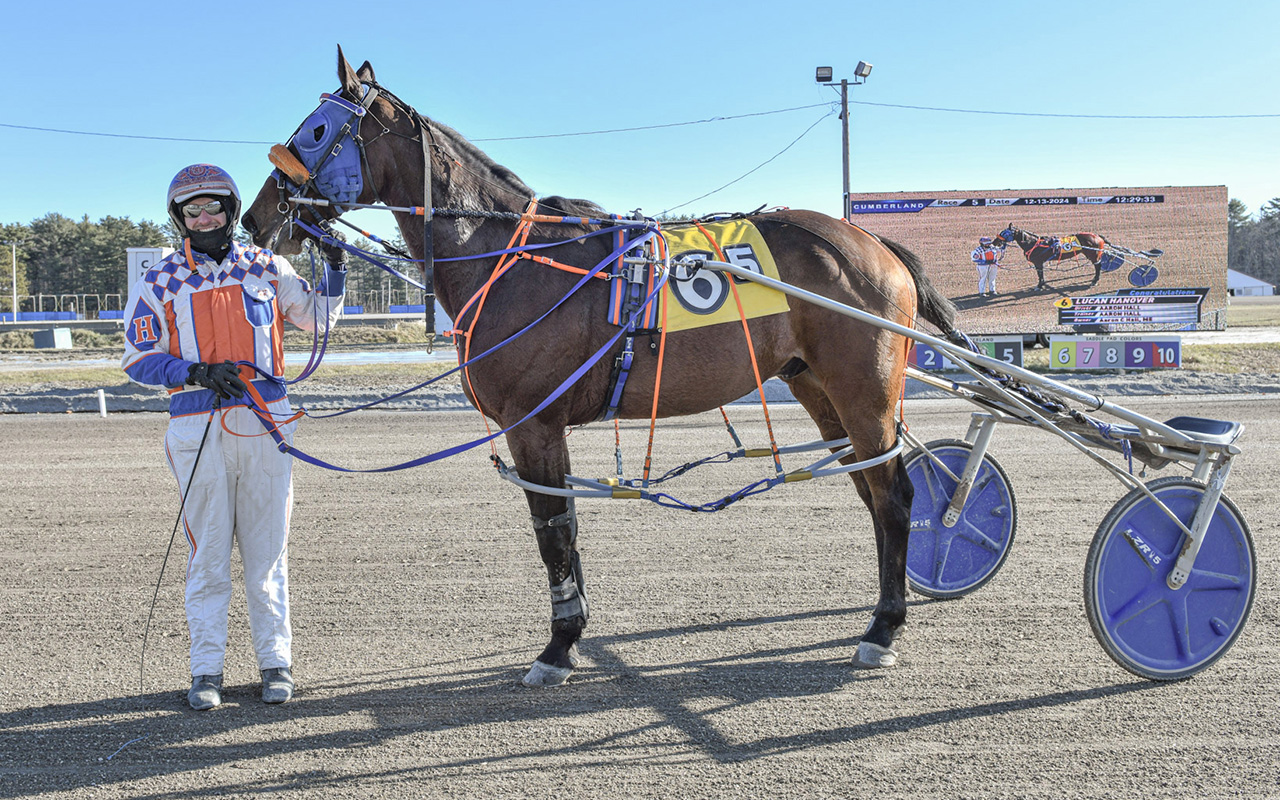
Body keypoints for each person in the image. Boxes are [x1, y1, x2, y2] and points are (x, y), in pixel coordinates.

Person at [122, 164, 347, 710]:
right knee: (210, 554)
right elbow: (137, 358)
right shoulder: (159, 280)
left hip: (266, 422)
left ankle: (275, 663)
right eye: (192, 210)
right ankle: (207, 671)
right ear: (179, 217)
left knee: (268, 553)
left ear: (230, 209)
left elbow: (318, 321)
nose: (205, 217)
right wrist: (194, 373)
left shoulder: (268, 267)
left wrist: (337, 269)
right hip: (196, 428)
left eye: (214, 206)